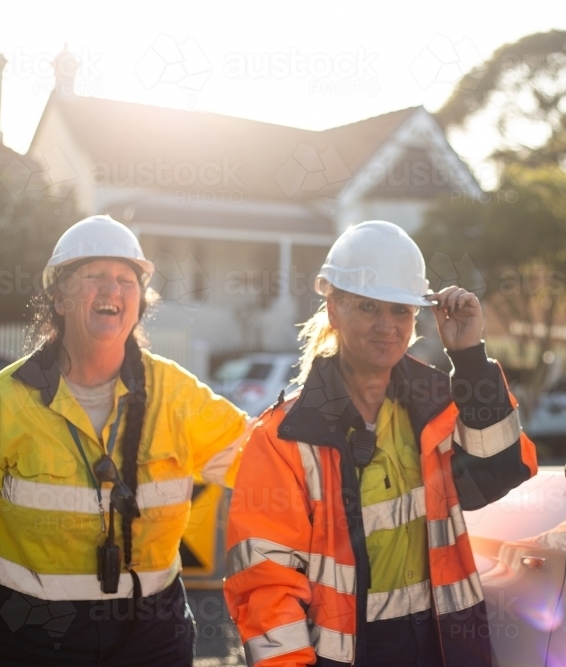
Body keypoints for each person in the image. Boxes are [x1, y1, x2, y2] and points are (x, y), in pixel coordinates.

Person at [0, 215, 247, 667]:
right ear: (59, 297)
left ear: (140, 301)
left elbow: (263, 460)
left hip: (151, 641)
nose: (113, 290)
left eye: (126, 279)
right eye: (94, 276)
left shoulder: (177, 395)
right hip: (23, 642)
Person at [224, 220, 537, 667]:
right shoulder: (281, 438)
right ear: (333, 310)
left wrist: (469, 358)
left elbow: (499, 473)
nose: (387, 326)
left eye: (400, 311)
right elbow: (264, 584)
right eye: (369, 307)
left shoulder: (439, 403)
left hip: (443, 647)